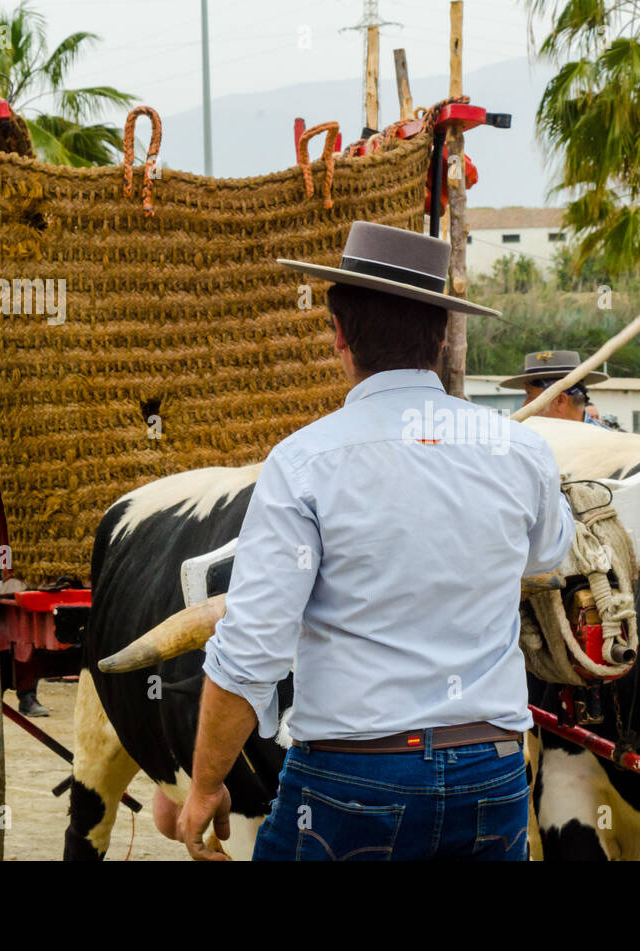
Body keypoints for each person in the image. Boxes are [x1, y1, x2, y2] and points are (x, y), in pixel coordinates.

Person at [176, 221, 574, 861]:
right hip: (492, 775)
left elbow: (253, 651)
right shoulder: (521, 449)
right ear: (442, 335)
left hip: (351, 782)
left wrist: (204, 785)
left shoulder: (301, 463)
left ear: (338, 334)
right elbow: (550, 552)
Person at [501, 350, 608, 426]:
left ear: (560, 401)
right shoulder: (528, 442)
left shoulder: (609, 445)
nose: (524, 404)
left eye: (531, 396)